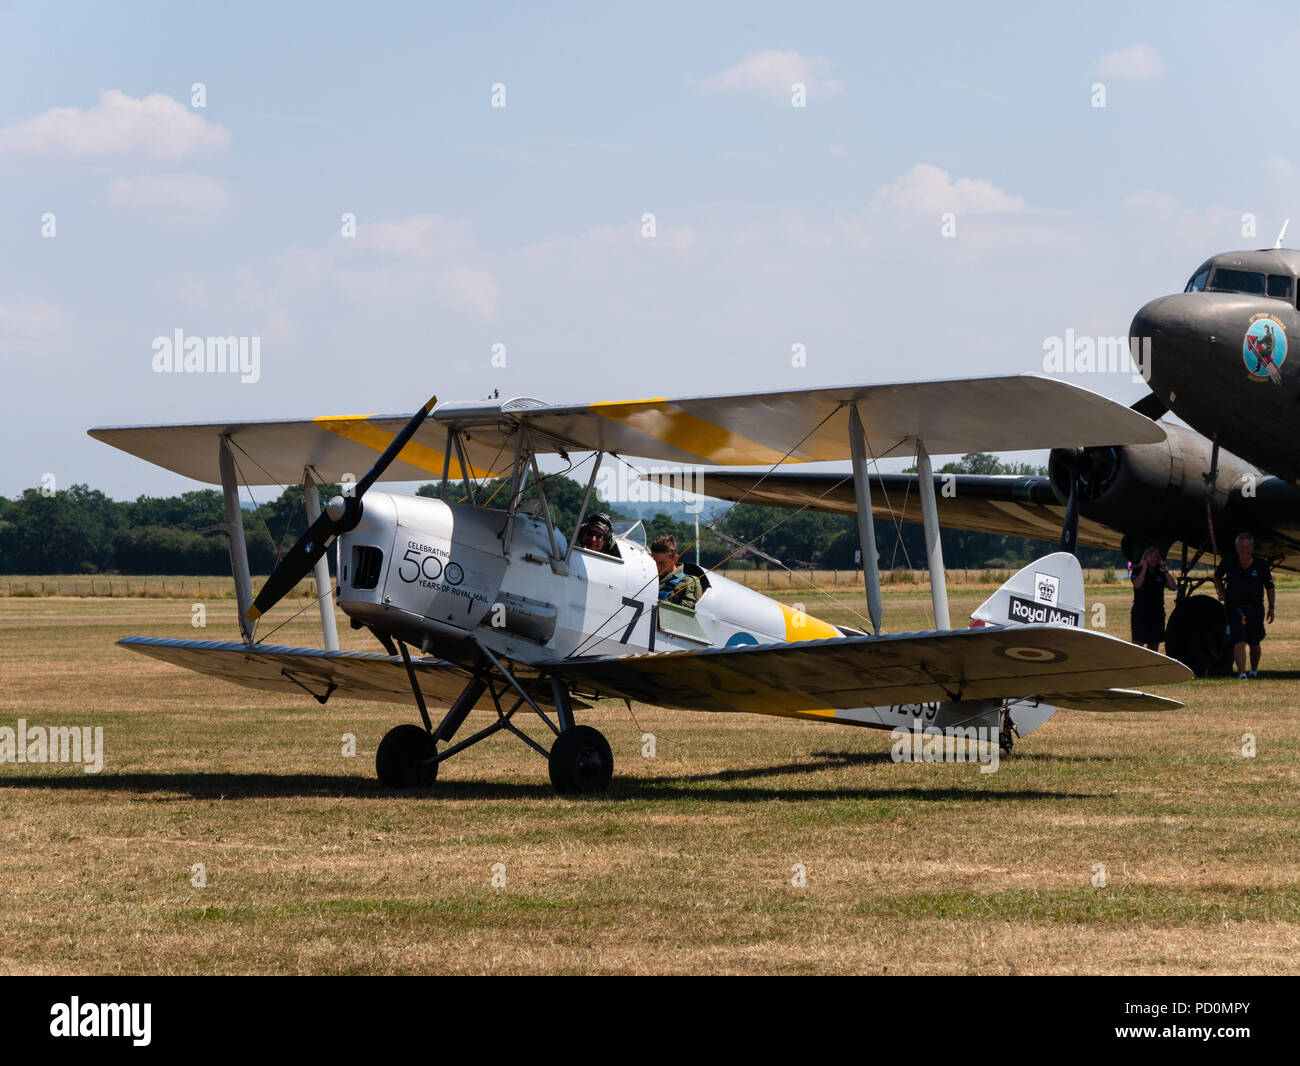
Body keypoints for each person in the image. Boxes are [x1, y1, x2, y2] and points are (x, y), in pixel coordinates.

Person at [1213, 532, 1275, 679]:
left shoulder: (1261, 564)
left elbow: (1270, 587)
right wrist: (1220, 590)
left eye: (1247, 547)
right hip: (1234, 608)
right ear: (1237, 547)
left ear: (1252, 547)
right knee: (1239, 641)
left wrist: (1271, 607)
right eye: (1241, 547)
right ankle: (1242, 673)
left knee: (1254, 642)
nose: (1244, 550)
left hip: (1255, 608)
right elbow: (1217, 576)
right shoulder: (1229, 561)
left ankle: (1253, 670)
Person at [1130, 546, 1176, 650]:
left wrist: (1165, 570)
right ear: (1145, 558)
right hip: (1140, 613)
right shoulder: (1137, 571)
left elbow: (1173, 587)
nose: (1153, 559)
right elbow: (1137, 584)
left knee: (1154, 643)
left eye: (1156, 557)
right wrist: (1144, 568)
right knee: (1138, 643)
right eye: (1150, 556)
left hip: (1157, 613)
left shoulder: (1160, 573)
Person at [649, 534, 701, 610]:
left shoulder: (687, 583)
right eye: (654, 562)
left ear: (675, 559)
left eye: (661, 563)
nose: (657, 567)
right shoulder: (647, 576)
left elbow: (685, 618)